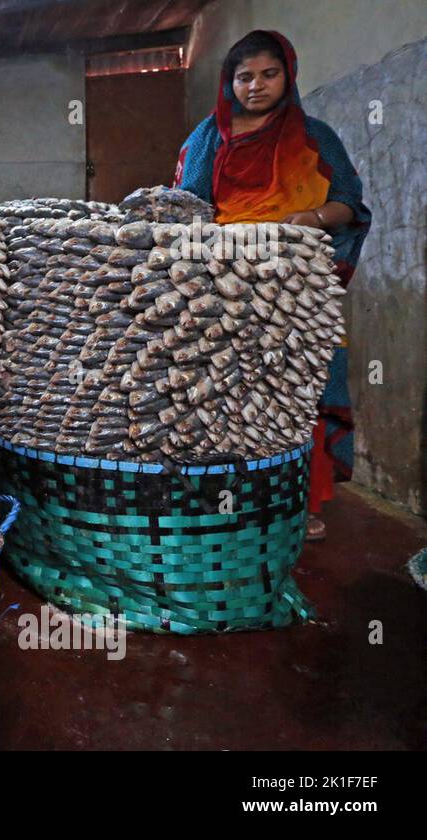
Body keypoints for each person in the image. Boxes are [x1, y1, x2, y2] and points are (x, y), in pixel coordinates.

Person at [174, 30, 371, 542]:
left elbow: (350, 202)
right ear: (229, 82)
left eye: (268, 74)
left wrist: (310, 216)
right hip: (221, 282)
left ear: (288, 75)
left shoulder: (314, 136)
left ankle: (296, 504)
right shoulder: (207, 137)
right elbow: (184, 209)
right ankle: (223, 501)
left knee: (297, 391)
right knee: (222, 391)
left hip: (294, 282)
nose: (255, 87)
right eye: (244, 77)